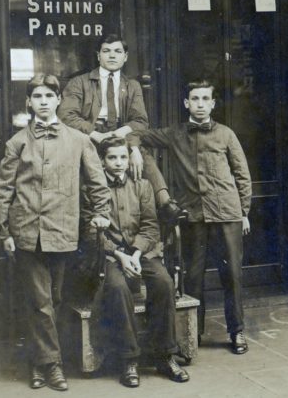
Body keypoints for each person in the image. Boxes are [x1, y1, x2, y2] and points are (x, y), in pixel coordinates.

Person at [0, 74, 112, 391]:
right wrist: (3, 230)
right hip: (27, 232)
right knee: (41, 301)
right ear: (29, 103)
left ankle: (36, 362)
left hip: (62, 231)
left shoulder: (79, 141)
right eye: (37, 97)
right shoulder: (17, 143)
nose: (43, 102)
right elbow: (2, 190)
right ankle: (52, 366)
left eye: (49, 96)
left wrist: (101, 213)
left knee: (54, 299)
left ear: (58, 100)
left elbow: (98, 184)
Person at [130, 80, 252, 354]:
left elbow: (242, 175)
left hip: (226, 214)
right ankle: (192, 335)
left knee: (231, 275)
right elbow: (137, 136)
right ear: (186, 103)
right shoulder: (174, 134)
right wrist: (135, 148)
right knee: (192, 277)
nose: (199, 104)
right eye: (194, 99)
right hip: (193, 215)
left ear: (212, 103)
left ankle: (237, 332)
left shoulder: (226, 134)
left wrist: (244, 212)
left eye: (204, 99)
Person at [90, 137, 190, 388]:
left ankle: (164, 355)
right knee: (117, 287)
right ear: (102, 161)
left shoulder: (143, 185)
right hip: (110, 256)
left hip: (140, 253)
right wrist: (119, 256)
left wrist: (134, 254)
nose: (118, 163)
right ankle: (129, 359)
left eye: (123, 157)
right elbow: (91, 232)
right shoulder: (94, 189)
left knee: (164, 282)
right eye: (112, 158)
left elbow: (149, 227)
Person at [59, 34, 186, 225]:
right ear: (98, 55)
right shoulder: (80, 82)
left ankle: (166, 203)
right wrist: (95, 134)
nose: (112, 56)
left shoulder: (132, 85)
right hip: (89, 136)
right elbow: (67, 115)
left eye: (117, 51)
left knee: (142, 155)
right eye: (106, 51)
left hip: (120, 133)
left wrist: (130, 144)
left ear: (125, 57)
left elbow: (140, 121)